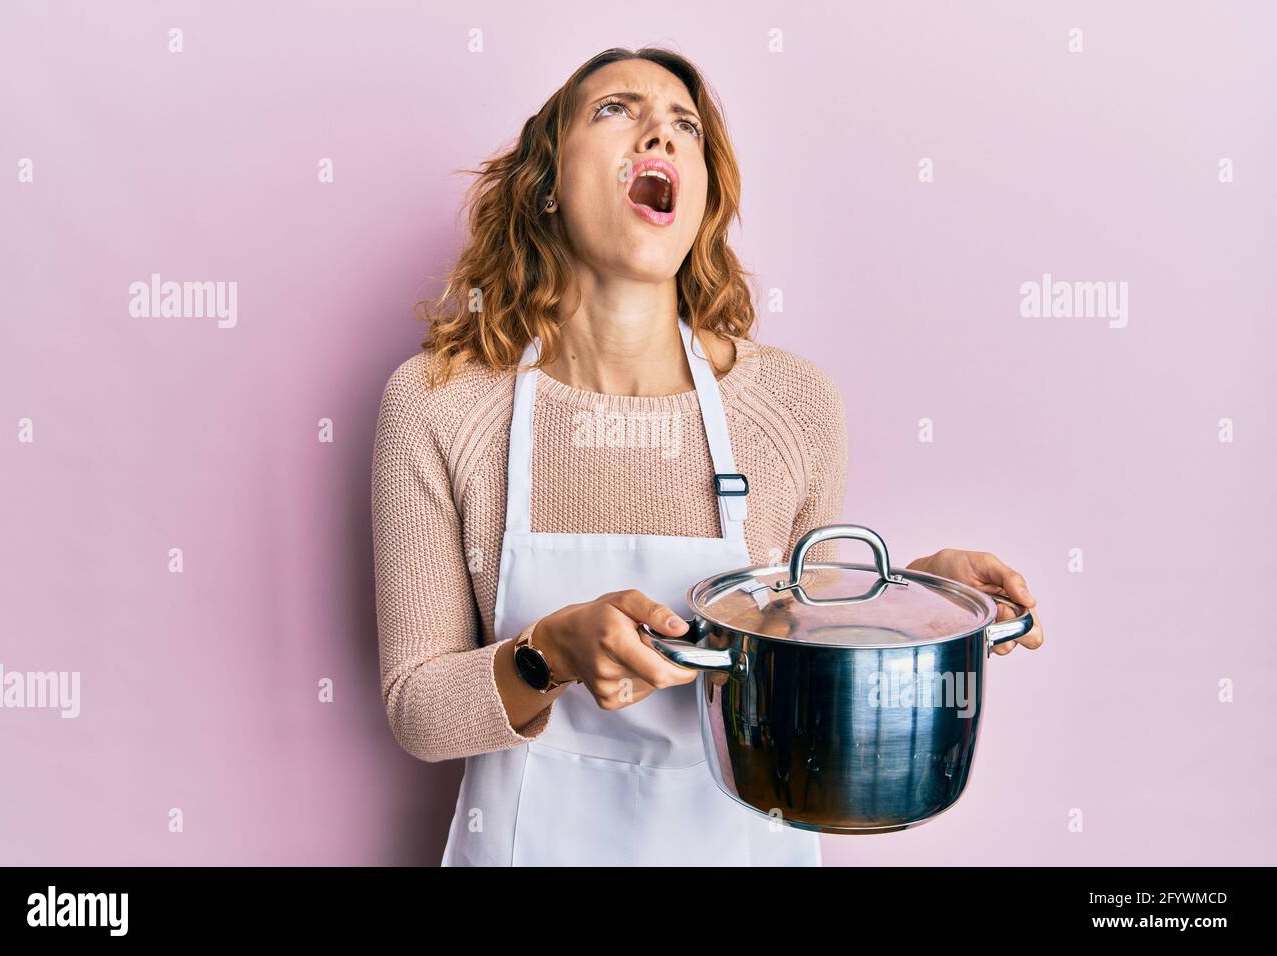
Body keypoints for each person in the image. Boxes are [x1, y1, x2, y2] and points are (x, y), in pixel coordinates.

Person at [370, 46, 1044, 867]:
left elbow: (797, 645)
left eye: (685, 126)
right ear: (545, 184)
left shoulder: (793, 405)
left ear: (700, 201)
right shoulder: (442, 402)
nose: (660, 132)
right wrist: (548, 653)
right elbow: (419, 709)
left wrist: (917, 605)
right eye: (615, 109)